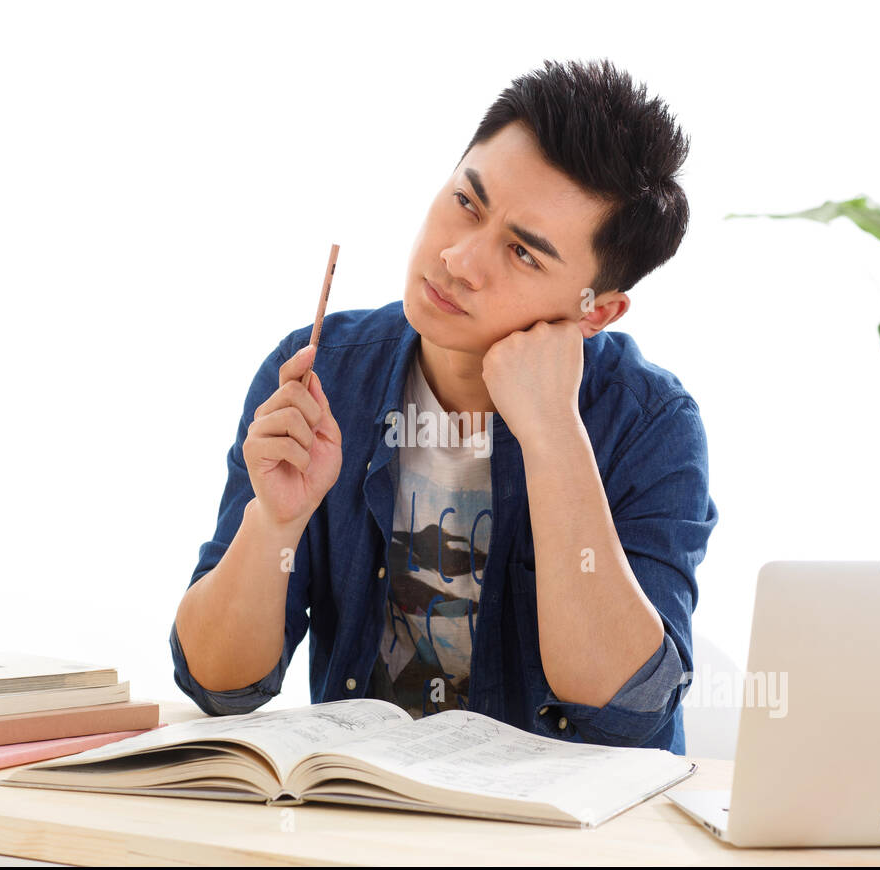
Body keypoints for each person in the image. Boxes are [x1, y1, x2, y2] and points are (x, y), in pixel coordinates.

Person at [171, 58, 718, 752]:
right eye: (467, 202)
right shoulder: (324, 370)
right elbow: (216, 685)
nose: (459, 259)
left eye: (522, 253)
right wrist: (276, 522)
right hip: (365, 820)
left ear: (596, 310)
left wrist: (553, 436)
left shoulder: (648, 419)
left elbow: (622, 711)